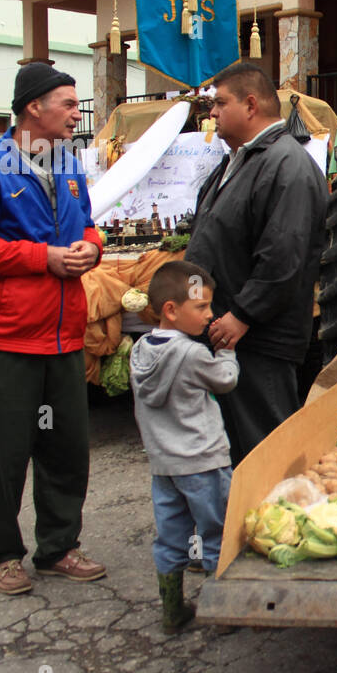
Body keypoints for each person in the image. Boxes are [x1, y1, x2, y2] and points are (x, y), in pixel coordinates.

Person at [0, 63, 107, 596]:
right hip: (7, 340)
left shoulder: (67, 163)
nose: (74, 111)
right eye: (67, 101)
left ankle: (59, 547)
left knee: (66, 450)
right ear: (33, 107)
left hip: (64, 338)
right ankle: (2, 555)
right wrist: (45, 258)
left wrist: (92, 245)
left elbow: (86, 222)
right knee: (3, 456)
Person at [184, 63, 327, 466]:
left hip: (257, 341)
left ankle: (275, 527)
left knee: (265, 456)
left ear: (250, 105)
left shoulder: (287, 164)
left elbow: (284, 255)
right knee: (231, 454)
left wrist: (242, 315)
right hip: (226, 335)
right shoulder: (237, 161)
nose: (211, 113)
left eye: (219, 103)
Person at [130, 260, 239, 633]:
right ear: (172, 310)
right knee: (217, 532)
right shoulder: (192, 354)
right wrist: (226, 351)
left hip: (164, 467)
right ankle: (220, 612)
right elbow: (224, 380)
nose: (210, 316)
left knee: (172, 536)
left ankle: (173, 611)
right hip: (203, 463)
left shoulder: (140, 350)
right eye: (202, 307)